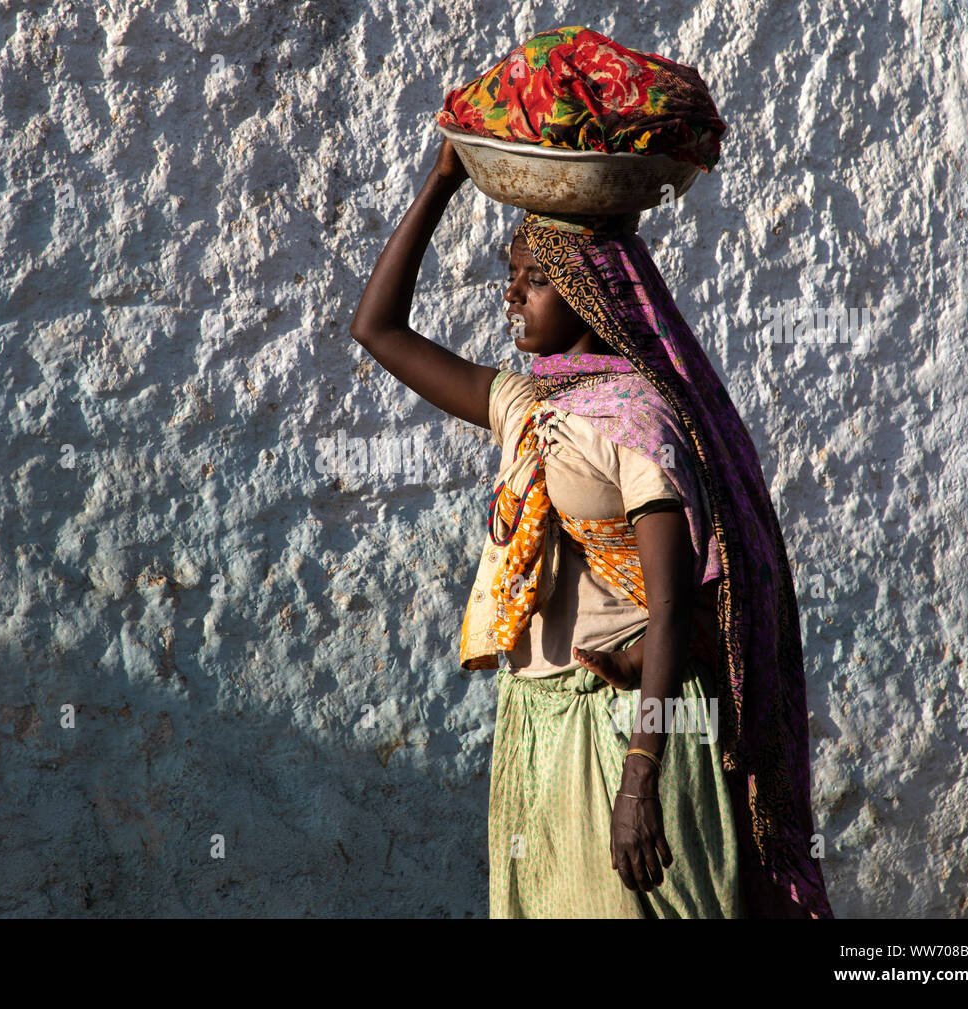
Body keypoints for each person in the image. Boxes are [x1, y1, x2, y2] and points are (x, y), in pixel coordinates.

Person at [349, 138, 833, 919]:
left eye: (536, 280)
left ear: (589, 291)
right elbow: (378, 329)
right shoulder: (528, 406)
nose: (513, 296)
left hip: (623, 729)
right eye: (511, 277)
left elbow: (675, 607)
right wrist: (440, 180)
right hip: (535, 716)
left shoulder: (638, 423)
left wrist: (640, 777)